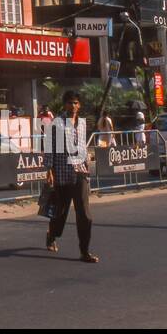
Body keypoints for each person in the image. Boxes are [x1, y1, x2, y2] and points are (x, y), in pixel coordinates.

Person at [44, 91, 98, 263]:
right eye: (69, 103)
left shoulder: (81, 124)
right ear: (64, 105)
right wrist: (49, 170)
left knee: (84, 213)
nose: (72, 106)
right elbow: (49, 146)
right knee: (60, 213)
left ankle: (84, 251)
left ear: (79, 105)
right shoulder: (57, 123)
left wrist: (87, 162)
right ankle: (51, 235)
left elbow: (81, 146)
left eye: (75, 103)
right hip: (62, 172)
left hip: (80, 172)